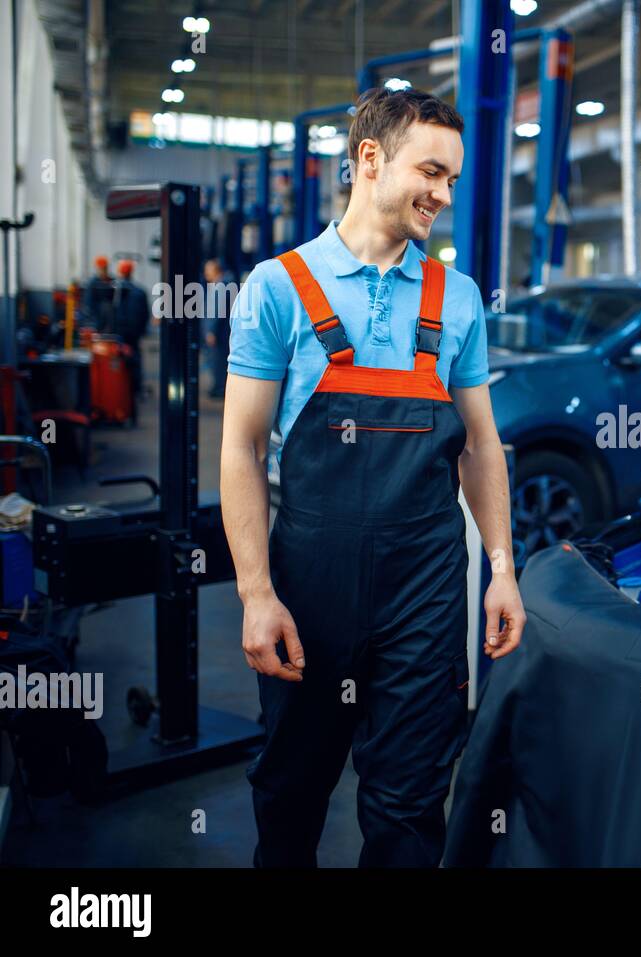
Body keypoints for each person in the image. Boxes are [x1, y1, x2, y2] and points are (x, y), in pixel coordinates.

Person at [220, 86, 525, 868]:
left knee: (410, 805)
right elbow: (241, 449)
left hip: (424, 586)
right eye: (430, 171)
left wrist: (500, 568)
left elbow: (482, 446)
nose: (443, 194)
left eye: (453, 179)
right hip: (310, 583)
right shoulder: (277, 288)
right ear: (369, 159)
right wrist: (256, 593)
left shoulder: (455, 300)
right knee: (290, 792)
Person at [111, 260, 150, 402]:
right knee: (135, 360)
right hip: (134, 333)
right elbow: (145, 314)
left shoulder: (114, 291)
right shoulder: (139, 291)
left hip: (118, 333)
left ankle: (119, 389)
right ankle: (136, 388)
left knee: (116, 362)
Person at [203, 258, 233, 398]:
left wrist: (211, 331)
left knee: (217, 360)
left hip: (219, 332)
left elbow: (217, 311)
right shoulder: (220, 284)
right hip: (219, 331)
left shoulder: (221, 286)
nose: (205, 273)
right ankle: (218, 386)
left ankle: (219, 387)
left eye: (208, 270)